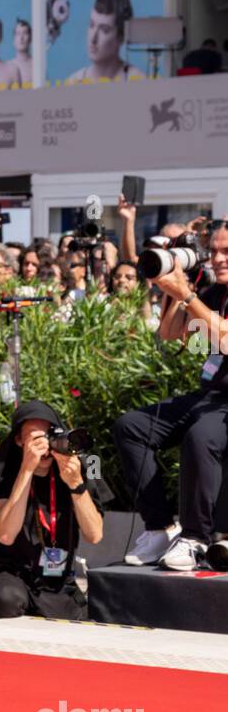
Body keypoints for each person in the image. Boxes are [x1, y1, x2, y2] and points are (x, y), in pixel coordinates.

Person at [114, 222, 228, 571]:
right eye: (215, 252)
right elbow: (169, 333)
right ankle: (161, 527)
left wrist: (188, 295)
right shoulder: (214, 292)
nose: (219, 259)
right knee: (131, 426)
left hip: (224, 408)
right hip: (210, 395)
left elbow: (224, 338)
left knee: (200, 436)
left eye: (227, 252)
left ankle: (196, 538)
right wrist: (172, 287)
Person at [0, 401, 108, 621]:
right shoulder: (6, 469)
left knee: (93, 616)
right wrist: (26, 470)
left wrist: (76, 484)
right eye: (35, 438)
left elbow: (95, 535)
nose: (44, 446)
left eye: (48, 435)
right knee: (5, 597)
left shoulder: (76, 469)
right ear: (19, 440)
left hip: (57, 582)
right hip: (12, 575)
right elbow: (5, 535)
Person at [66, 0, 135, 85]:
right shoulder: (73, 82)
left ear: (121, 38)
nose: (93, 38)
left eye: (104, 30)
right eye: (91, 25)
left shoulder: (137, 81)